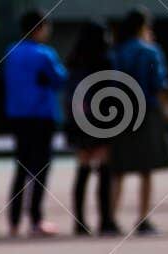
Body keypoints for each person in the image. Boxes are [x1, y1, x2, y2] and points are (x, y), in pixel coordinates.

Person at [109, 8, 168, 236]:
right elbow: (159, 83)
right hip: (146, 111)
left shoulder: (116, 51)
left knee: (119, 168)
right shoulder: (151, 51)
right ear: (143, 27)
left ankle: (111, 218)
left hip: (120, 111)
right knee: (146, 168)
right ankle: (143, 218)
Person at [3, 10, 67, 236]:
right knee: (40, 168)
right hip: (41, 116)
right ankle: (36, 219)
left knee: (21, 168)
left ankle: (13, 221)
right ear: (39, 28)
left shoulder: (10, 52)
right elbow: (60, 79)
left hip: (18, 115)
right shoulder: (44, 54)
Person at [65, 19, 119, 235]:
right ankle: (105, 220)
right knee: (104, 170)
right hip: (101, 119)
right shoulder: (106, 59)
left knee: (83, 169)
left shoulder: (74, 60)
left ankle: (79, 221)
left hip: (78, 120)